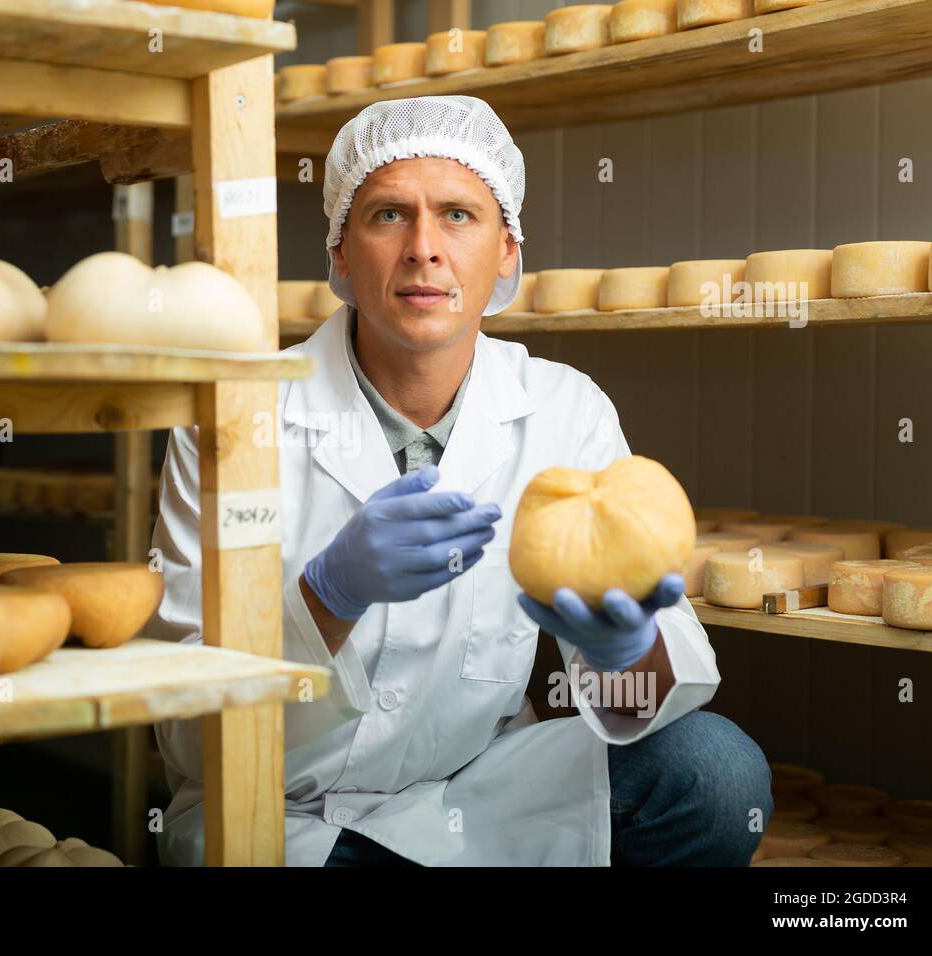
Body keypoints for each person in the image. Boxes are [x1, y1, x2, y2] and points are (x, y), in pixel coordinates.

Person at [145, 95, 771, 866]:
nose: (424, 249)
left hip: (479, 798)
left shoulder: (562, 409)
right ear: (339, 251)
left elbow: (637, 703)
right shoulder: (233, 418)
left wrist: (625, 655)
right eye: (386, 216)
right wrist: (323, 600)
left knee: (713, 773)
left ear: (507, 250)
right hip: (283, 816)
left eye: (458, 215)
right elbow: (180, 723)